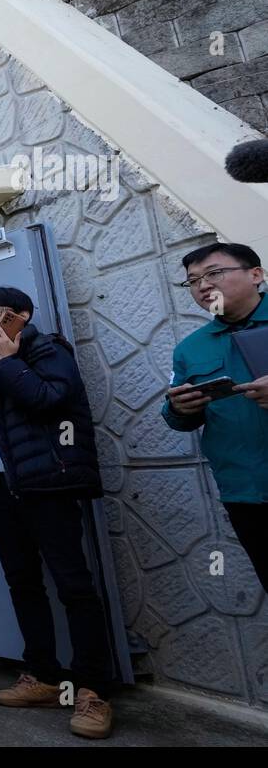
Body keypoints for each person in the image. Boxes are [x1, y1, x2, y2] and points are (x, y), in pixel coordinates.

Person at [0, 286, 115, 739]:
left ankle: (93, 689)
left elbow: (49, 401)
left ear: (24, 315)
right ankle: (43, 676)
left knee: (74, 586)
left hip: (48, 484)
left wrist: (8, 362)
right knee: (22, 582)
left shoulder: (48, 350)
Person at [163, 242, 268, 589]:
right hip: (247, 493)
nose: (203, 286)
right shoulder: (190, 349)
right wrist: (179, 409)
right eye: (193, 281)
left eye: (214, 273)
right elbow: (177, 417)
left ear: (256, 275)